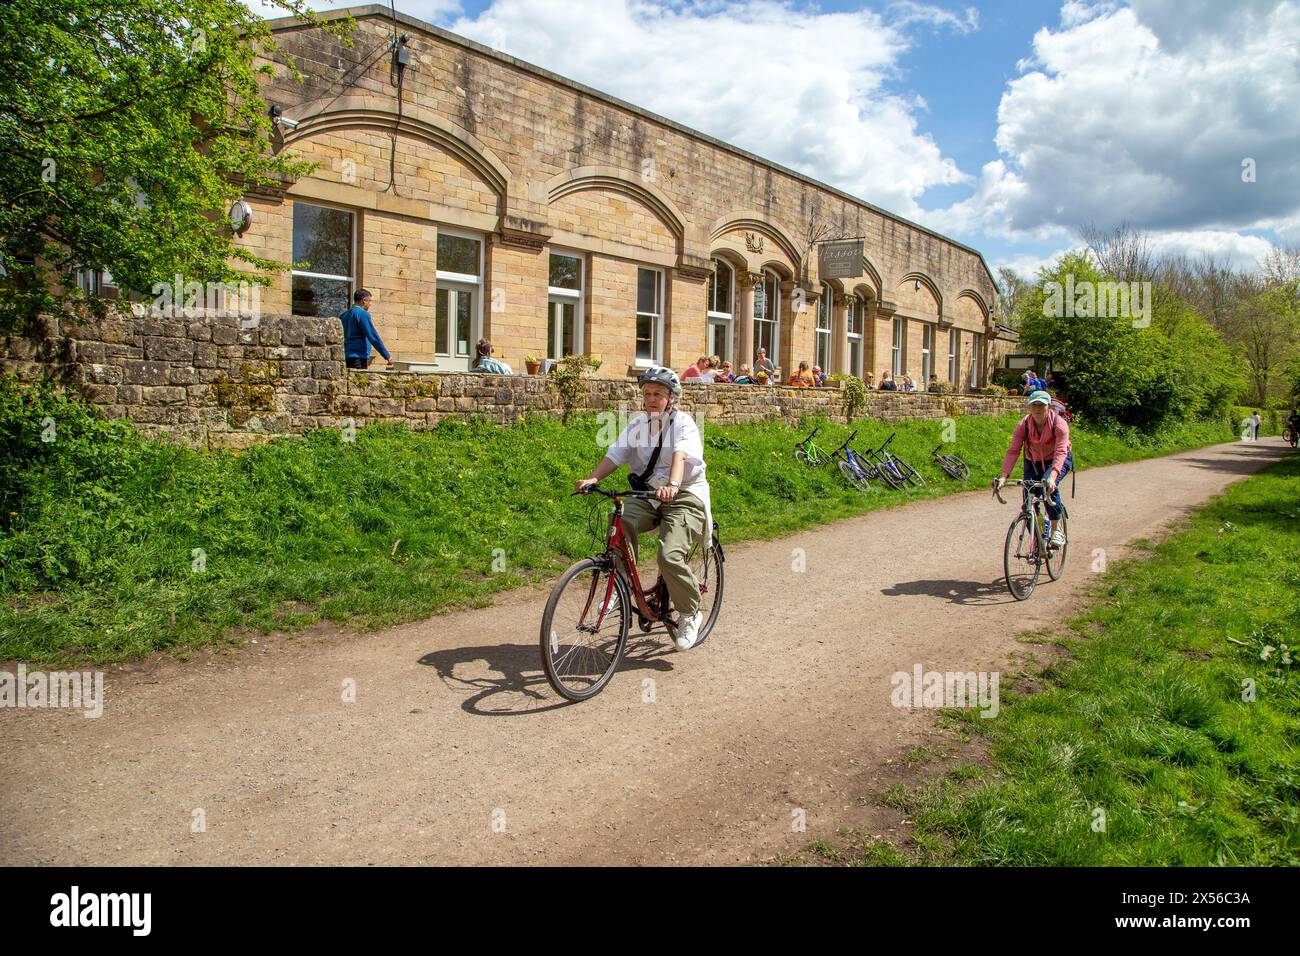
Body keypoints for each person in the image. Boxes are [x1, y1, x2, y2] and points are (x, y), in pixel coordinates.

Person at [574, 366, 712, 651]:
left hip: (684, 494)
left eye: (658, 394)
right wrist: (593, 478)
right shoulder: (637, 425)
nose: (651, 399)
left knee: (669, 555)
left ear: (671, 398)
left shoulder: (683, 423)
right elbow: (615, 454)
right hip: (649, 494)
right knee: (620, 520)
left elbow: (680, 454)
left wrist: (673, 484)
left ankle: (690, 613)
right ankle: (620, 584)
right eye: (647, 393)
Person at [995, 390, 1073, 548]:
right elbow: (1013, 450)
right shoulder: (1023, 425)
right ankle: (1039, 534)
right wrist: (1003, 476)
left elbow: (1061, 452)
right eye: (1034, 405)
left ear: (1049, 406)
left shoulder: (1059, 424)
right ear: (1029, 407)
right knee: (1028, 501)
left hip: (1059, 459)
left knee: (1048, 486)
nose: (1037, 408)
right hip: (1033, 460)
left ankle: (1055, 530)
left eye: (1041, 405)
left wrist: (1053, 476)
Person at [339, 289, 393, 370]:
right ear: (364, 300)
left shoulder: (344, 315)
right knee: (358, 382)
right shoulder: (363, 314)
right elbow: (373, 336)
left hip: (346, 355)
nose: (370, 304)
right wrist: (387, 356)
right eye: (370, 301)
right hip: (359, 357)